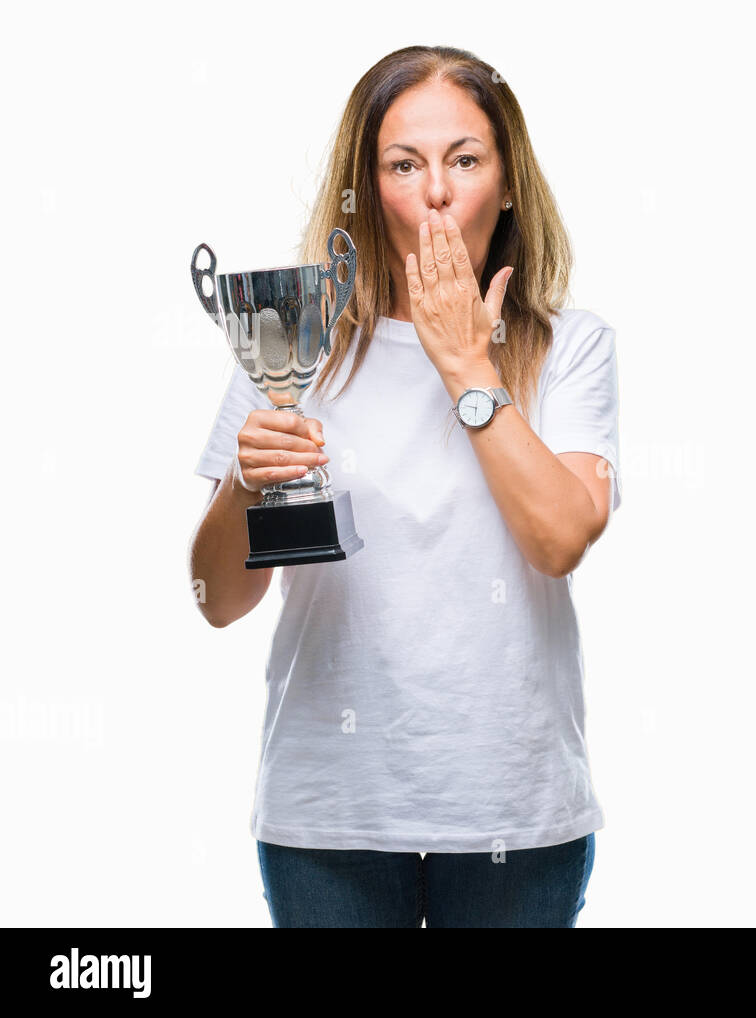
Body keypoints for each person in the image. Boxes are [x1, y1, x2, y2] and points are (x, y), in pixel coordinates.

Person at [187, 45, 621, 928]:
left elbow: (560, 539)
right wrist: (245, 479)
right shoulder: (291, 335)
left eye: (465, 159)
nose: (435, 192)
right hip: (330, 816)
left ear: (506, 184)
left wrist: (466, 365)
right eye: (403, 163)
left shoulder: (570, 345)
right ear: (366, 186)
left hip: (516, 811)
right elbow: (218, 600)